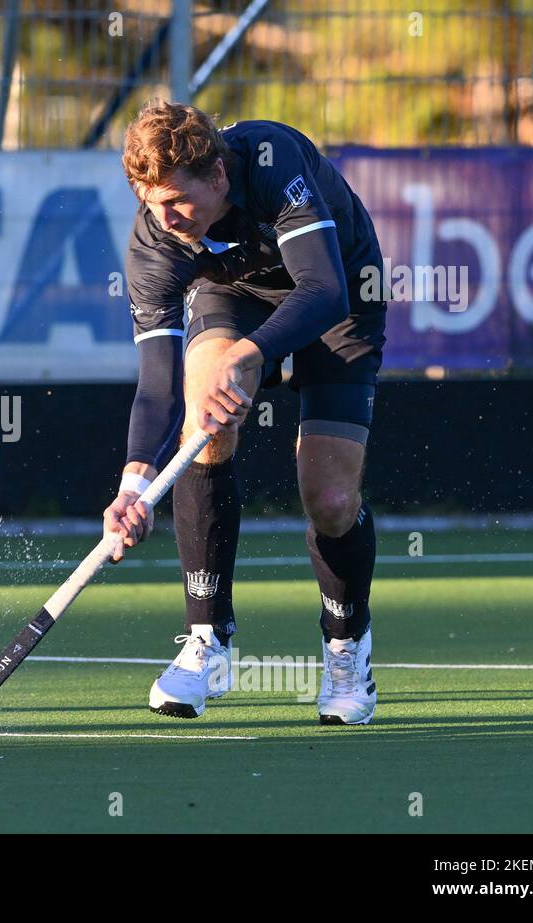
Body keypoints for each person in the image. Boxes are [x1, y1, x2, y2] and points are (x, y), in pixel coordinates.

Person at [105, 102, 385, 725]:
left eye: (180, 200)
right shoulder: (158, 243)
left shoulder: (269, 159)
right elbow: (157, 386)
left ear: (220, 177)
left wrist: (250, 355)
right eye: (155, 204)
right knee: (204, 417)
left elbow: (322, 289)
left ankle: (346, 648)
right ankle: (207, 638)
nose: (170, 218)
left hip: (338, 294)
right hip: (234, 294)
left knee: (331, 498)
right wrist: (133, 486)